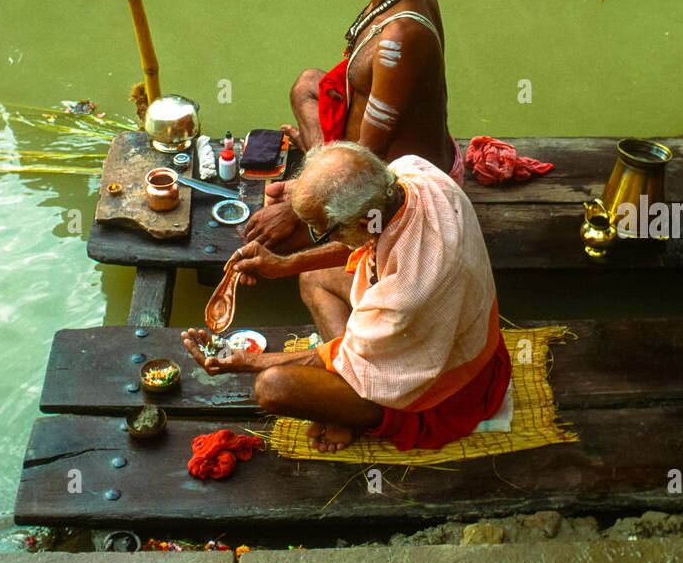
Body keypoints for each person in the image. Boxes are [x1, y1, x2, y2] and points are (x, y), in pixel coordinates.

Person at [182, 142, 511, 453]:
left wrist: (244, 362)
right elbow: (361, 237)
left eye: (321, 231)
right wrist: (281, 265)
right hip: (440, 327)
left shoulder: (406, 291)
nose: (313, 238)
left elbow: (344, 356)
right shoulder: (413, 174)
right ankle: (340, 403)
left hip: (445, 390)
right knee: (314, 276)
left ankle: (347, 414)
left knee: (273, 387)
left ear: (359, 222)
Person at [243, 0, 464, 303]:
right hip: (372, 156)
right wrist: (311, 182)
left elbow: (368, 166)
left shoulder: (401, 36)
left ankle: (315, 172)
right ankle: (317, 163)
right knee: (308, 83)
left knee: (260, 242)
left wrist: (297, 205)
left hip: (402, 196)